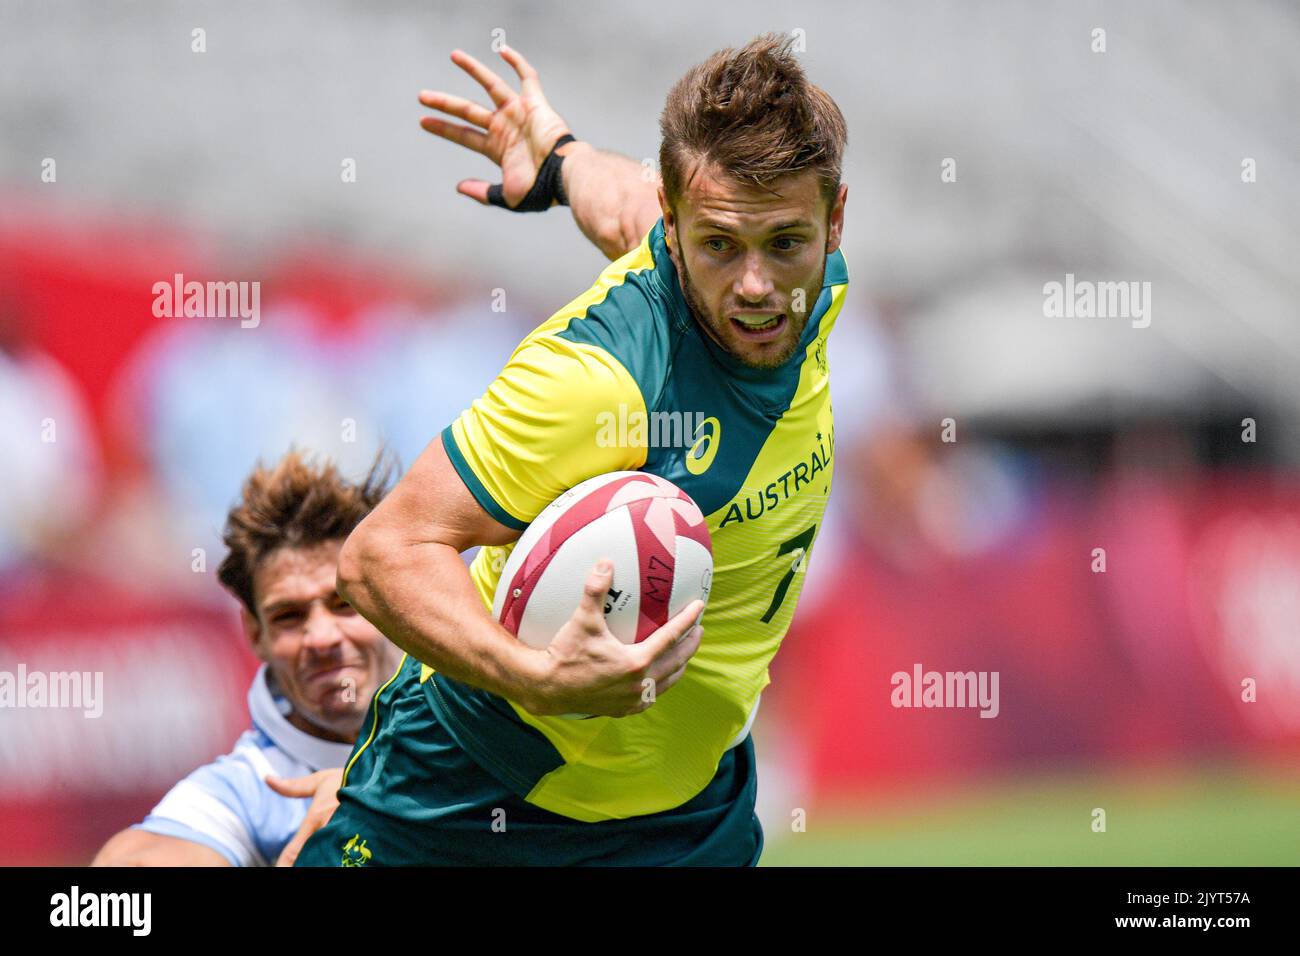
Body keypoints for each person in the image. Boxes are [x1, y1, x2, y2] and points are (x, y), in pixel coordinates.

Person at [296, 32, 849, 867]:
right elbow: (380, 555)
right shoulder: (601, 381)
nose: (757, 287)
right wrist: (534, 674)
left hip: (686, 816)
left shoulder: (811, 280)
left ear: (834, 219)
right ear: (676, 220)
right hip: (468, 794)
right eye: (719, 246)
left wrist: (559, 159)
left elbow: (624, 201)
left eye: (786, 243)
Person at [92, 450, 402, 866]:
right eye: (289, 616)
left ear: (386, 599)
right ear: (256, 633)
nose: (322, 637)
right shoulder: (247, 791)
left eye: (343, 604)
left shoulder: (469, 717)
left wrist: (370, 800)